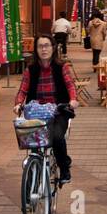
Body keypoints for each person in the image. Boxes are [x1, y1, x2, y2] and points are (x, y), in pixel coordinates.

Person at [13, 34, 77, 184]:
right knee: (33, 142)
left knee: (56, 137)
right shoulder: (31, 69)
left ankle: (64, 167)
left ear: (53, 48)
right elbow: (23, 90)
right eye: (40, 46)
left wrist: (73, 100)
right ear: (36, 49)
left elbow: (70, 85)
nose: (44, 49)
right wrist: (18, 103)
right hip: (36, 111)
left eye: (47, 45)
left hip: (58, 110)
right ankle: (33, 174)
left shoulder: (62, 67)